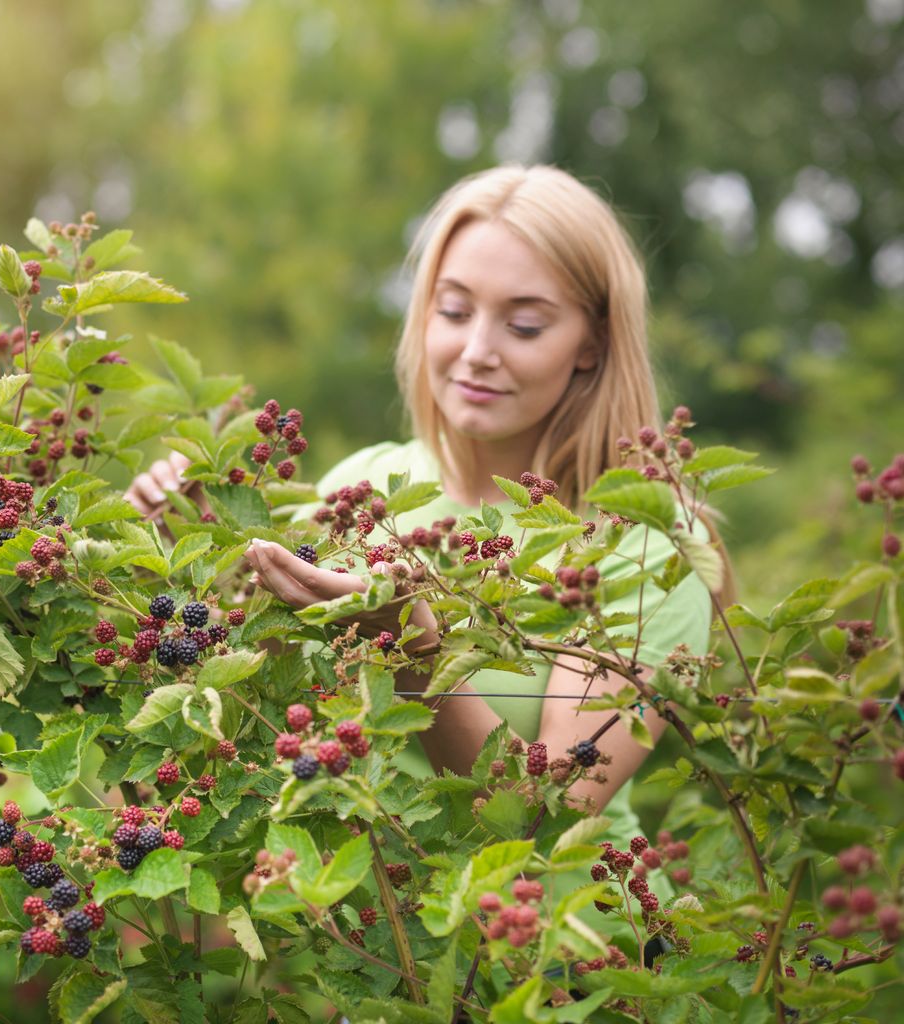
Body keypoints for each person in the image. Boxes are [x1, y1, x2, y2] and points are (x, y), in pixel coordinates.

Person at [125, 164, 732, 876]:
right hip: (373, 955)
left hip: (560, 954)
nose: (477, 350)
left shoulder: (645, 541)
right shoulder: (367, 487)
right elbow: (254, 708)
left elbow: (541, 817)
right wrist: (178, 563)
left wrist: (416, 657)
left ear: (593, 343)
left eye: (525, 323)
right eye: (453, 310)